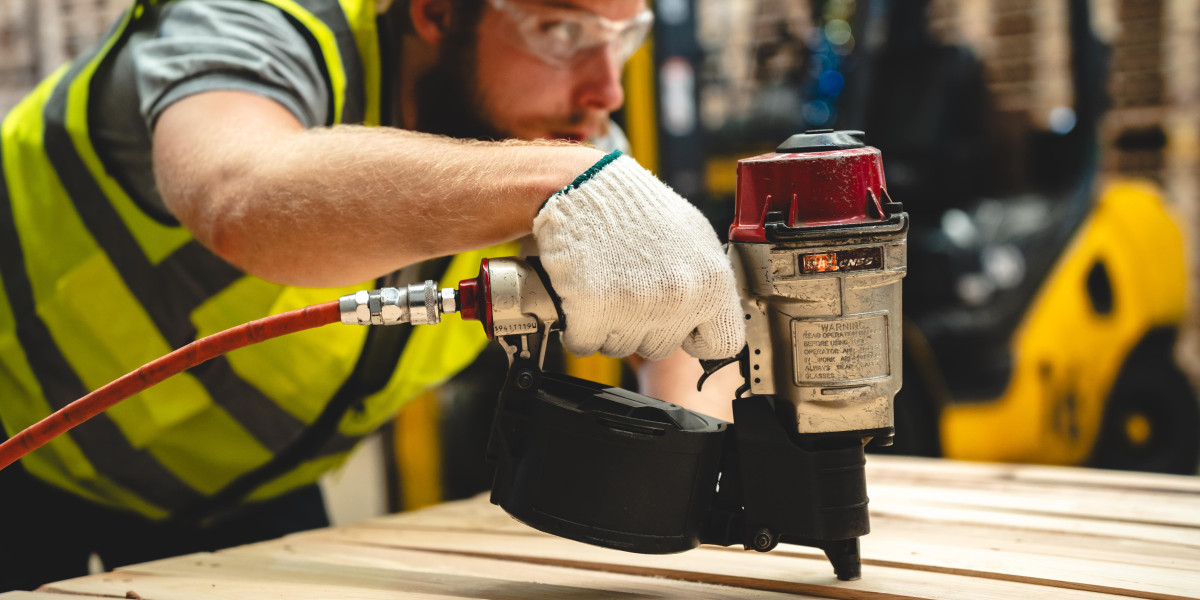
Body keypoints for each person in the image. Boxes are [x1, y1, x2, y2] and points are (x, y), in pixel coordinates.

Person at [0, 0, 746, 590]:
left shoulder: (564, 137)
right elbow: (236, 191)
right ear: (436, 10)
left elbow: (680, 337)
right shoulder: (253, 23)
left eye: (624, 38)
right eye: (561, 29)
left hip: (243, 488)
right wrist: (559, 182)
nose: (607, 89)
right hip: (19, 451)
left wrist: (692, 473)